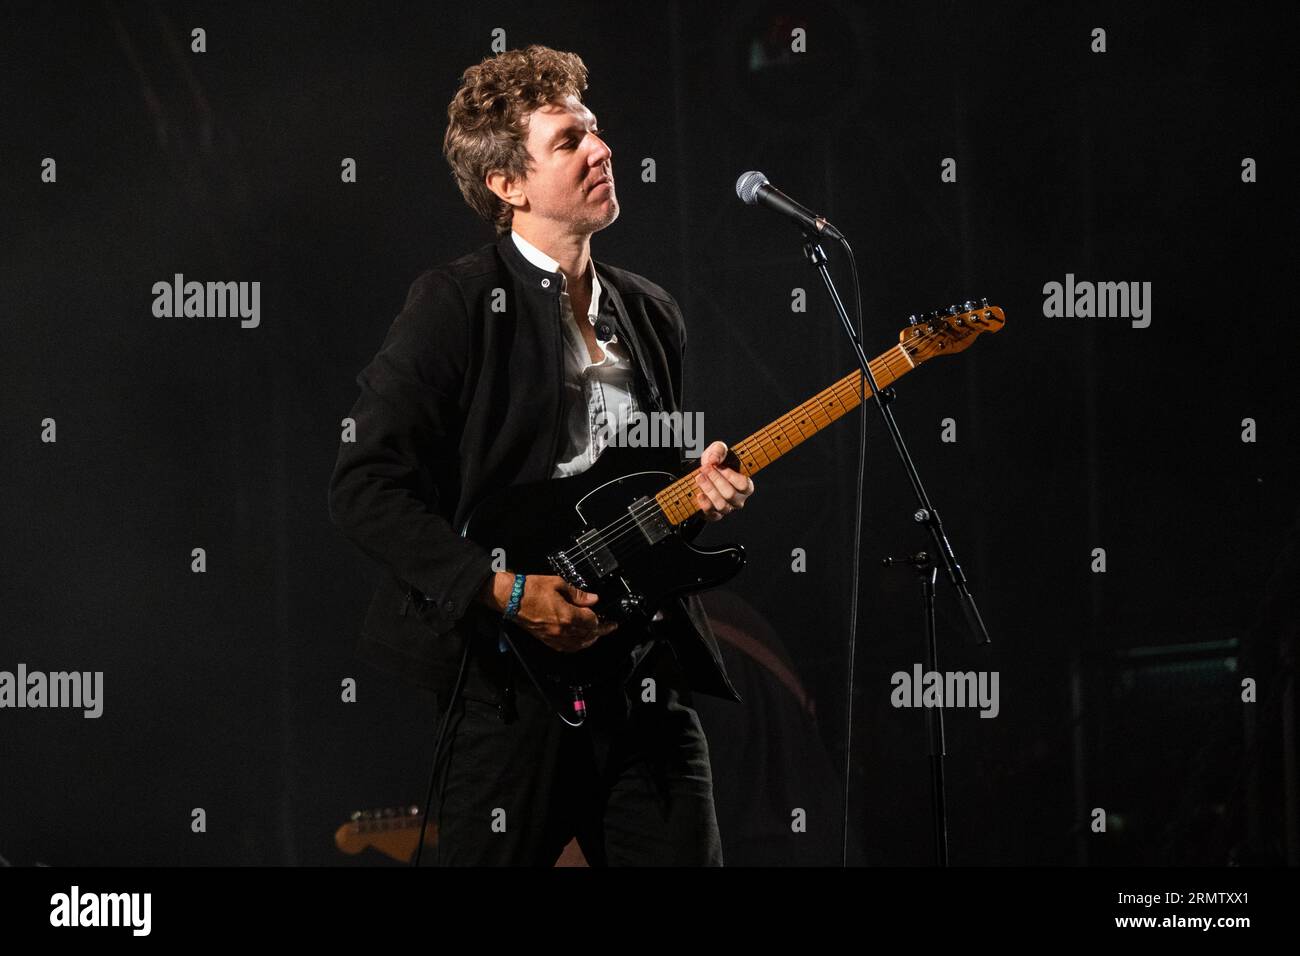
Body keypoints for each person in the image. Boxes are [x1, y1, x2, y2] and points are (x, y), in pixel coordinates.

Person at [328, 44, 754, 866]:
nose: (601, 150)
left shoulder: (652, 312)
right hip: (510, 681)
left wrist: (697, 491)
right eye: (569, 141)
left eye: (595, 131)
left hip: (642, 666)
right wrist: (503, 588)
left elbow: (641, 486)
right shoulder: (454, 304)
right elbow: (364, 486)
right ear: (507, 185)